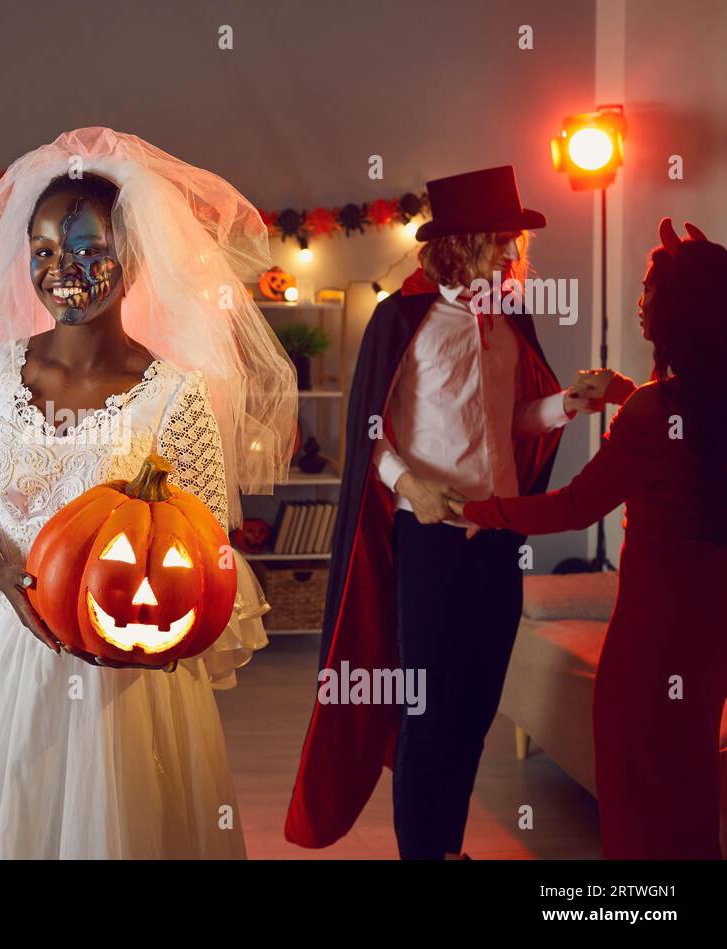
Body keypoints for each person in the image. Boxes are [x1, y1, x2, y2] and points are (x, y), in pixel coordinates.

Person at [0, 127, 297, 859]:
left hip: (122, 668)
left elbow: (205, 550)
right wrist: (3, 576)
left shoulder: (176, 396)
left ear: (134, 262)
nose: (62, 269)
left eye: (88, 251)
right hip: (2, 651)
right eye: (44, 252)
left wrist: (164, 621)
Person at [285, 165, 602, 859]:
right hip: (428, 540)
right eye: (503, 243)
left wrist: (567, 403)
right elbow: (368, 432)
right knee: (427, 715)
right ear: (463, 246)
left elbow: (514, 419)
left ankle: (448, 847)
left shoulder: (510, 322)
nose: (515, 258)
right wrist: (412, 488)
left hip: (498, 538)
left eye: (514, 245)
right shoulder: (402, 319)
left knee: (475, 709)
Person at [451, 219, 727, 859]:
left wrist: (480, 510)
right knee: (686, 788)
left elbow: (574, 508)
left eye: (652, 287)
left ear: (682, 312)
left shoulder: (654, 413)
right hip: (708, 641)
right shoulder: (696, 408)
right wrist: (628, 397)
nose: (640, 299)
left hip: (649, 642)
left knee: (635, 792)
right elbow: (683, 450)